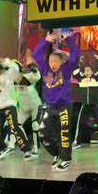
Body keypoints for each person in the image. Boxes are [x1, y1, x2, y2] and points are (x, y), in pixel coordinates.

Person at [33, 31, 80, 171]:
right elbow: (36, 55)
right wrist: (46, 41)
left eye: (56, 62)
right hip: (49, 107)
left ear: (61, 62)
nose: (53, 64)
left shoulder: (66, 69)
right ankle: (56, 154)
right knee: (43, 132)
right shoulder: (45, 69)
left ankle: (65, 159)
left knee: (64, 132)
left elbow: (76, 56)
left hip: (64, 106)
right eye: (51, 61)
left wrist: (70, 39)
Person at [7, 55, 43, 159]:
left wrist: (34, 68)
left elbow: (37, 75)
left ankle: (36, 147)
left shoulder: (28, 77)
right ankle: (12, 146)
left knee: (35, 125)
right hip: (23, 108)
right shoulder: (10, 82)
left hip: (35, 106)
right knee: (15, 125)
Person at [72, 54, 98, 149]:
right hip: (85, 104)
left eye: (89, 70)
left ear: (92, 71)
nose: (87, 72)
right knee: (80, 122)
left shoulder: (97, 78)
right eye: (85, 70)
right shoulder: (81, 80)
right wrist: (78, 61)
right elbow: (75, 71)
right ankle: (77, 142)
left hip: (96, 104)